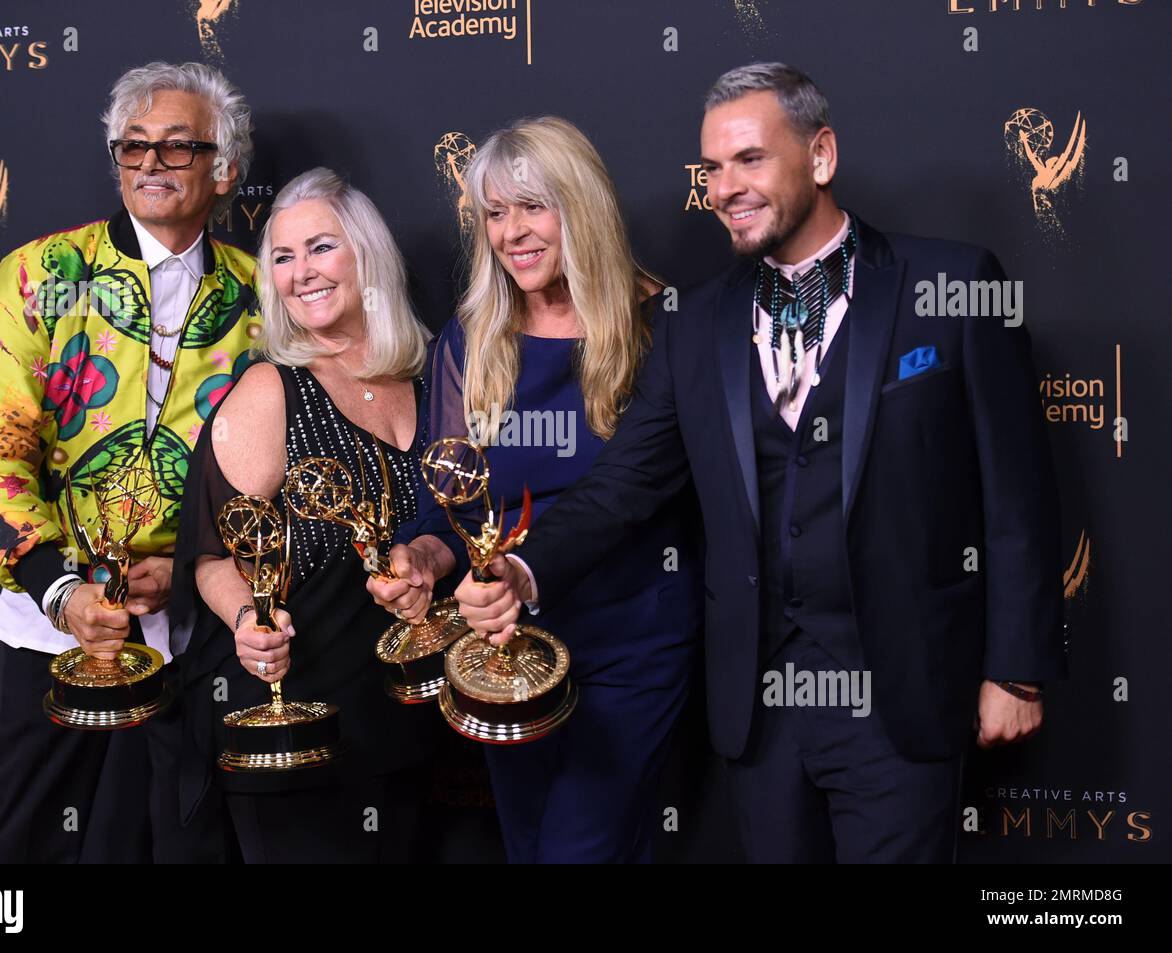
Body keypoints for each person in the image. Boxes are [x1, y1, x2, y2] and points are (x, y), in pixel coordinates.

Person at [456, 64, 1065, 863]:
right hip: (760, 706)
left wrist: (1016, 670)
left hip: (902, 694)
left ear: (820, 156)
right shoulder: (693, 321)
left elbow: (1017, 495)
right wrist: (525, 572)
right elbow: (625, 484)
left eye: (750, 159)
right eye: (712, 168)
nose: (725, 187)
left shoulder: (951, 285)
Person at [368, 117, 702, 863]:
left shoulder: (662, 326)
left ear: (580, 206)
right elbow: (448, 500)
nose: (511, 232)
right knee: (530, 845)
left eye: (532, 206)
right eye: (494, 212)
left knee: (579, 849)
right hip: (503, 644)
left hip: (631, 642)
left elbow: (633, 493)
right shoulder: (474, 335)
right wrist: (422, 557)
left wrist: (523, 573)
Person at [0, 61, 260, 863]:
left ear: (223, 167)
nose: (150, 164)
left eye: (176, 147)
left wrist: (195, 565)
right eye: (133, 148)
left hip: (193, 637)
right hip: (53, 621)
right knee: (29, 849)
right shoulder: (36, 275)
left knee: (168, 845)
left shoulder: (265, 295)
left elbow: (284, 471)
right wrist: (61, 588)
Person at [168, 167, 438, 863]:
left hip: (413, 723)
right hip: (297, 726)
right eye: (282, 257)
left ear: (367, 255)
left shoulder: (435, 375)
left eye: (320, 247)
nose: (301, 272)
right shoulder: (271, 389)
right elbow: (212, 555)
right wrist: (245, 620)